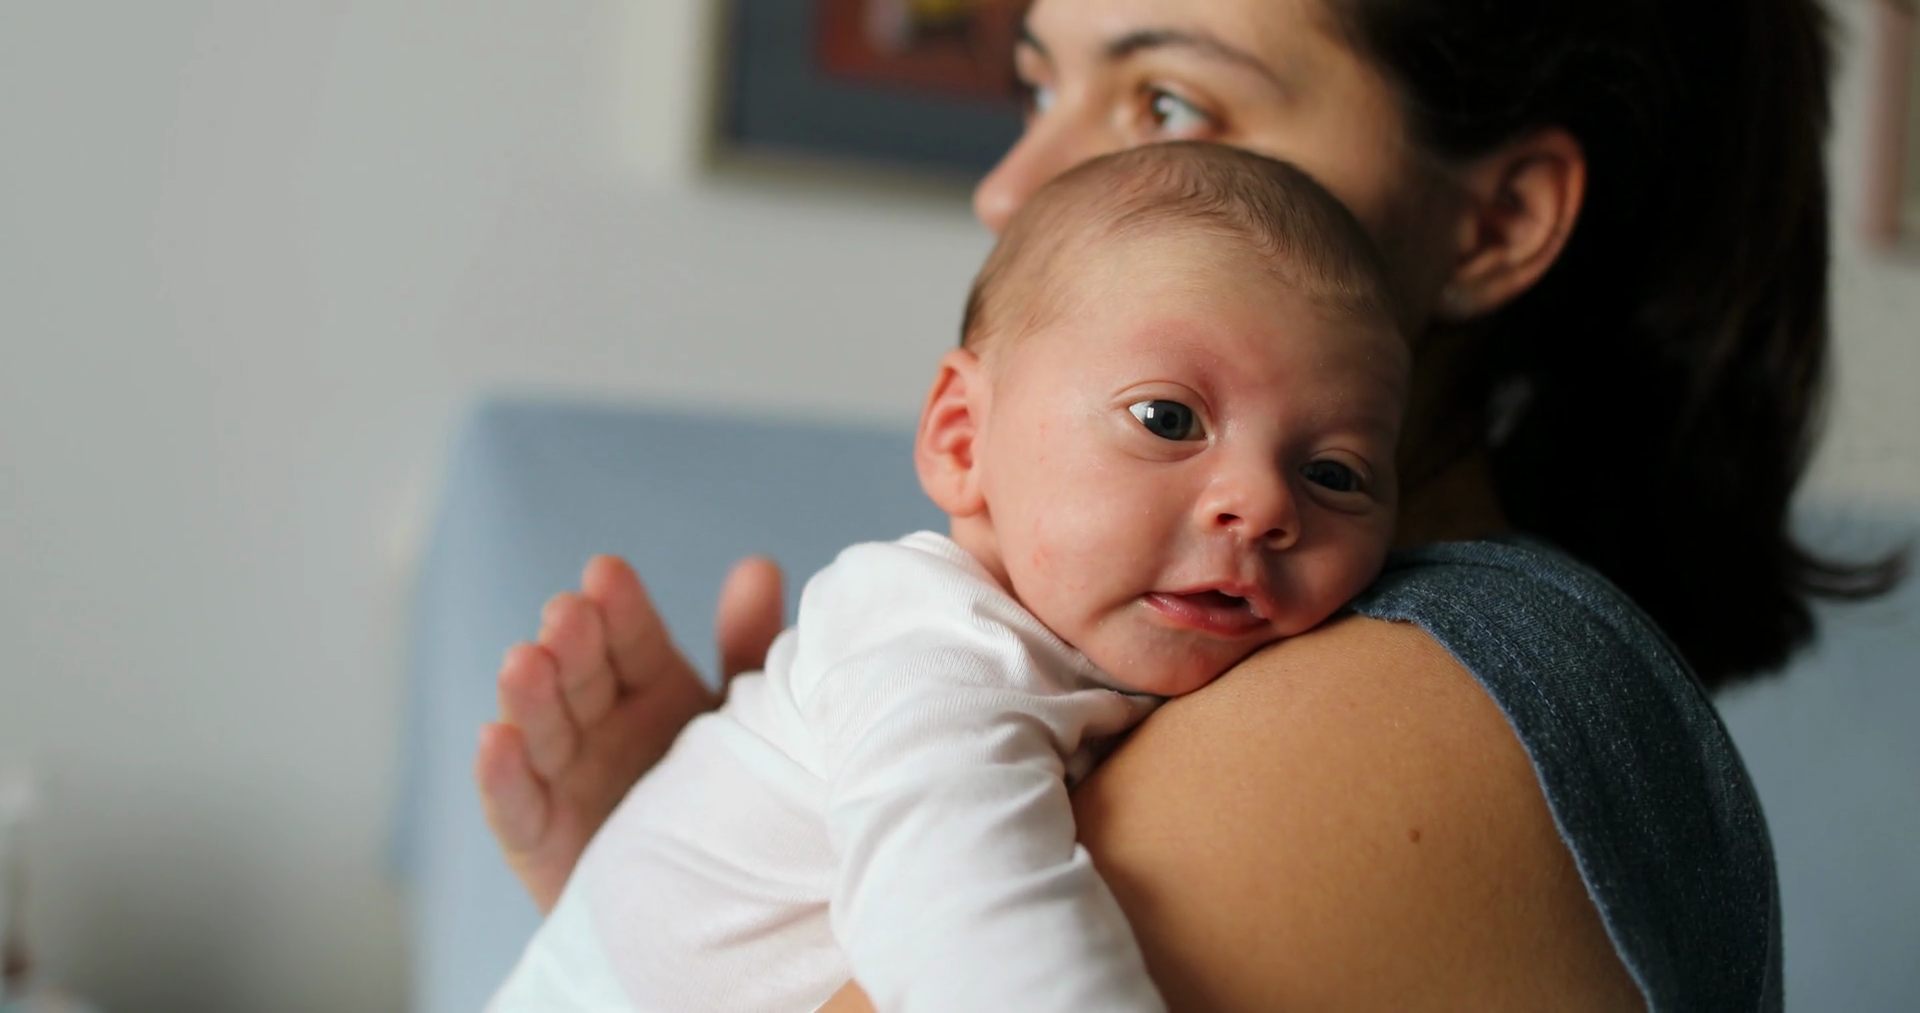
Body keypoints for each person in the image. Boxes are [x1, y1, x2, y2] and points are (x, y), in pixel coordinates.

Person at [474, 0, 1902, 1009]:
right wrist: (701, 886)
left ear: (1498, 219)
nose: (1009, 189)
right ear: (957, 433)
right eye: (1039, 88)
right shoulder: (1174, 650)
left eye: (1168, 102)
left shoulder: (1409, 707)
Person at [489, 143, 1408, 1013]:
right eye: (1168, 418)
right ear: (964, 439)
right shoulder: (935, 640)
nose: (1264, 502)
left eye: (1335, 472)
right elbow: (960, 920)